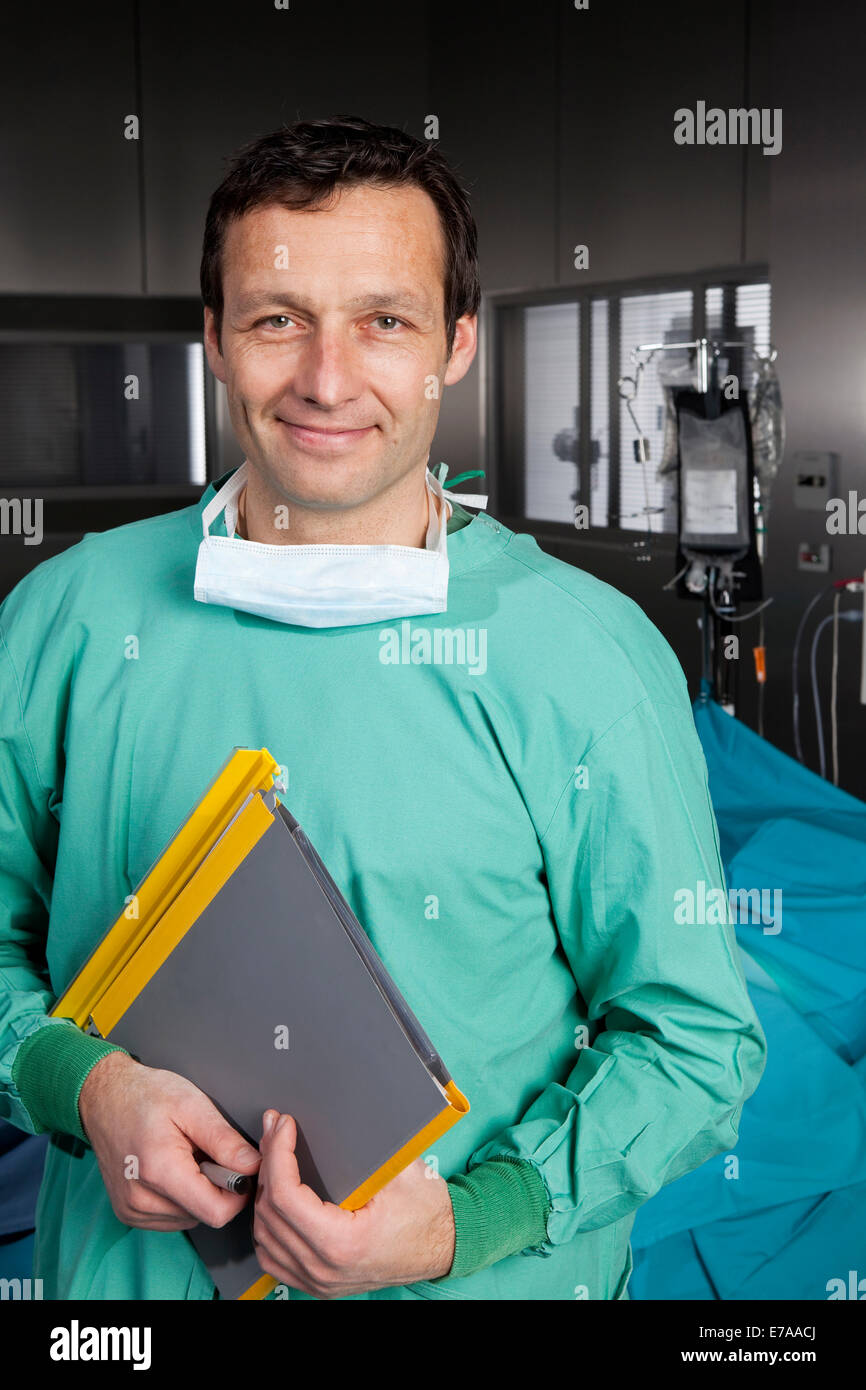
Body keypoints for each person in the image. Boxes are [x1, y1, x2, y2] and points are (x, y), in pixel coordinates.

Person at [0, 114, 766, 1301]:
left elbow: (694, 1040)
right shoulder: (66, 619)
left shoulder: (581, 655)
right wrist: (79, 1082)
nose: (325, 379)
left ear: (455, 343)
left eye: (384, 321)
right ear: (212, 338)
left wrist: (475, 1220)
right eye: (275, 319)